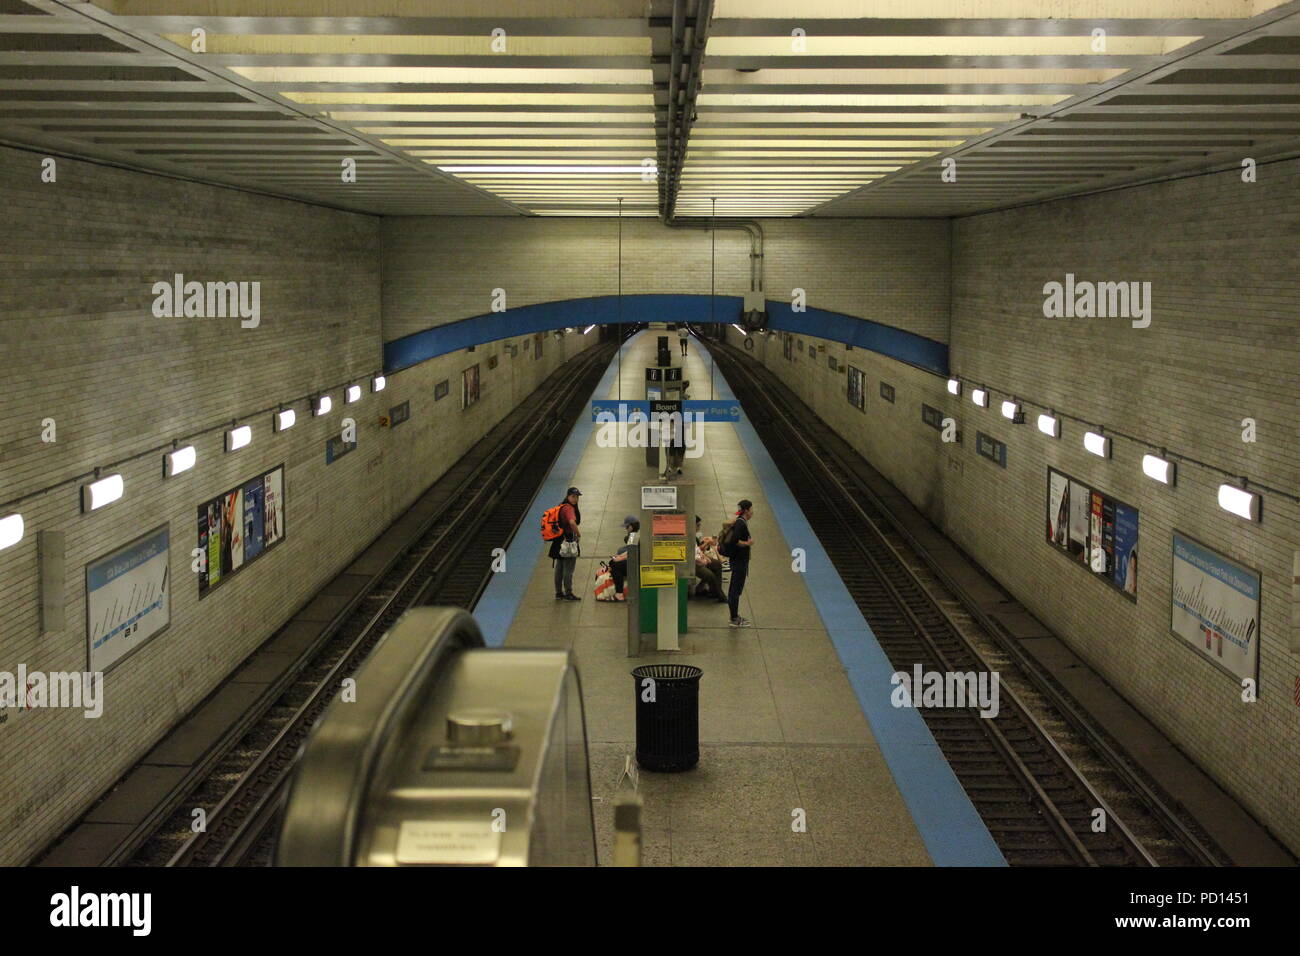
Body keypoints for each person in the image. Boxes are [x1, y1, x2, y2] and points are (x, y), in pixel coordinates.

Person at [725, 499, 754, 627]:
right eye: (751, 509)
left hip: (738, 560)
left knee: (735, 589)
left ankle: (734, 616)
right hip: (739, 561)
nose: (753, 512)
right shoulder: (741, 523)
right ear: (746, 510)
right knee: (735, 590)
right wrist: (747, 544)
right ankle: (734, 618)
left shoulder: (739, 522)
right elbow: (734, 540)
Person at [550, 486, 582, 600]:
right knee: (568, 568)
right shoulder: (569, 508)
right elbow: (572, 523)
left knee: (559, 567)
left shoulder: (561, 506)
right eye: (573, 496)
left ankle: (559, 593)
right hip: (568, 541)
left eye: (577, 497)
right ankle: (568, 593)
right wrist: (578, 534)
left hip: (559, 541)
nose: (575, 499)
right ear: (568, 496)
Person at [693, 515, 727, 602]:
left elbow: (698, 550)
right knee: (711, 575)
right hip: (695, 563)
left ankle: (713, 592)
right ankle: (720, 595)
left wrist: (705, 557)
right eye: (698, 525)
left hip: (700, 558)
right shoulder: (689, 537)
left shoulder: (695, 536)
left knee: (717, 564)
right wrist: (707, 543)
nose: (699, 527)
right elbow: (695, 553)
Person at [608, 515, 639, 600]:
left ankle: (619, 594)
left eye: (627, 527)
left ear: (632, 526)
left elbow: (631, 553)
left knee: (614, 565)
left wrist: (619, 559)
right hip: (637, 561)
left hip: (636, 565)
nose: (626, 529)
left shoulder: (633, 536)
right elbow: (630, 550)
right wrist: (619, 556)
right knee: (614, 562)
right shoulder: (636, 534)